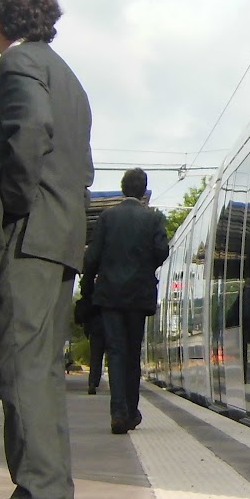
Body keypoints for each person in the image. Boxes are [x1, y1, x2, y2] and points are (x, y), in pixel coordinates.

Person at [0, 0, 92, 499]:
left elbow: (30, 129)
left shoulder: (17, 67)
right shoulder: (68, 77)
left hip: (31, 236)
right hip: (59, 237)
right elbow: (79, 161)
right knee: (39, 365)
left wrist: (14, 204)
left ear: (0, 25)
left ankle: (37, 494)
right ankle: (47, 488)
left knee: (19, 364)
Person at [82, 168, 169, 434]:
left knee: (116, 353)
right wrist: (144, 268)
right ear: (143, 191)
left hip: (110, 296)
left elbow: (92, 257)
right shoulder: (152, 219)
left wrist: (88, 290)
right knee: (132, 354)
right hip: (138, 295)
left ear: (122, 189)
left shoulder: (107, 218)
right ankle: (131, 410)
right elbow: (161, 251)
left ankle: (118, 411)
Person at [73, 289, 105, 395]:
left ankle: (92, 383)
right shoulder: (112, 287)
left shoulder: (92, 291)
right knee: (115, 356)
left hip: (95, 327)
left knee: (95, 357)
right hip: (111, 325)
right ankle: (116, 387)